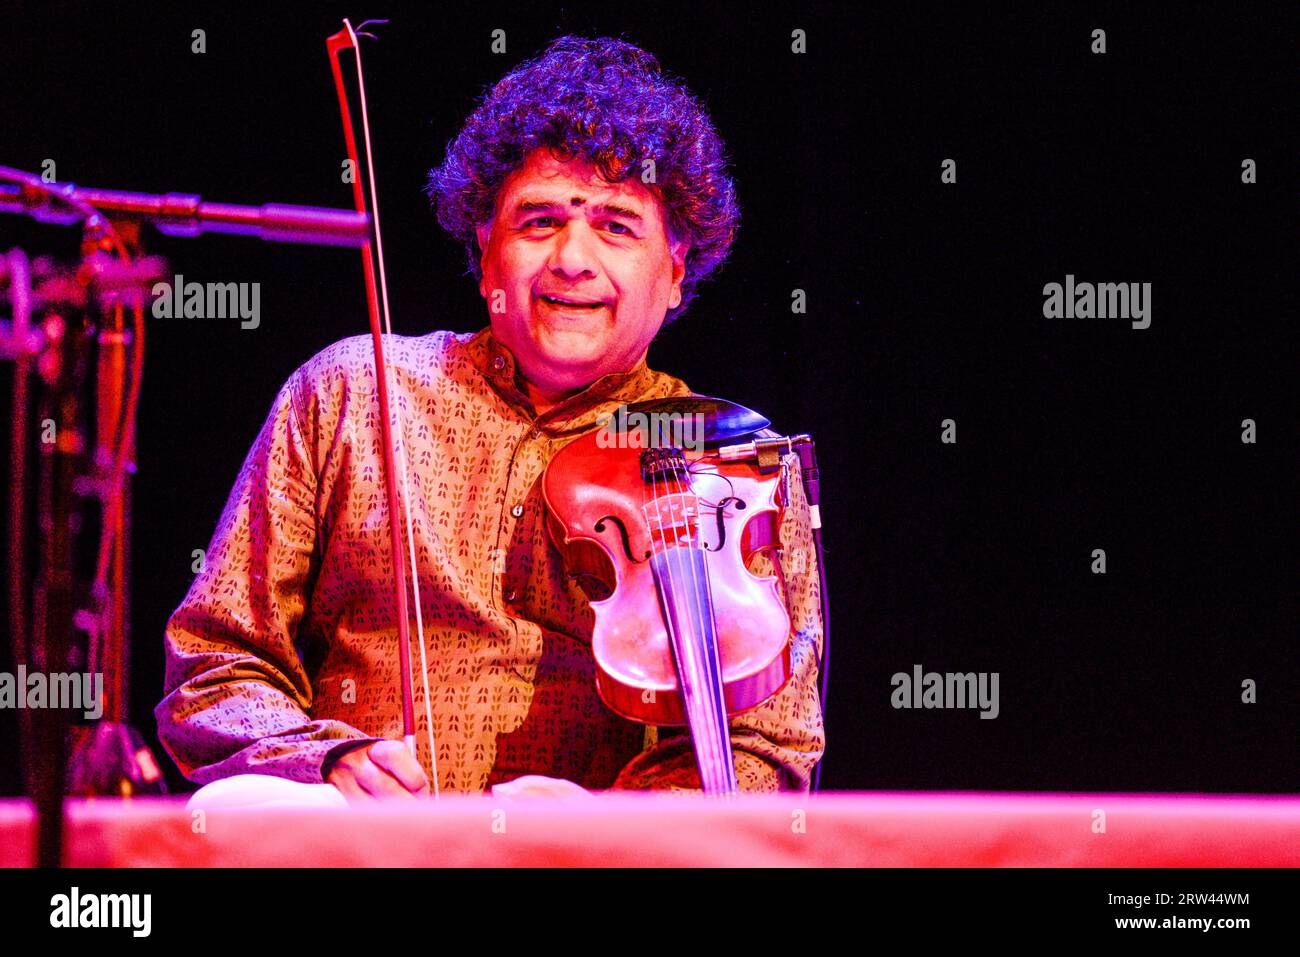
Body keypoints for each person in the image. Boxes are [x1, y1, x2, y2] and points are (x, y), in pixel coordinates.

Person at [155, 35, 824, 803]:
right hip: (353, 845)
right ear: (484, 248)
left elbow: (768, 747)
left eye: (616, 226)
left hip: (593, 867)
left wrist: (609, 824)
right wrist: (326, 758)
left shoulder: (733, 466)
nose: (572, 259)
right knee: (242, 806)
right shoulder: (351, 390)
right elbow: (212, 665)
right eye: (539, 221)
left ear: (676, 267)